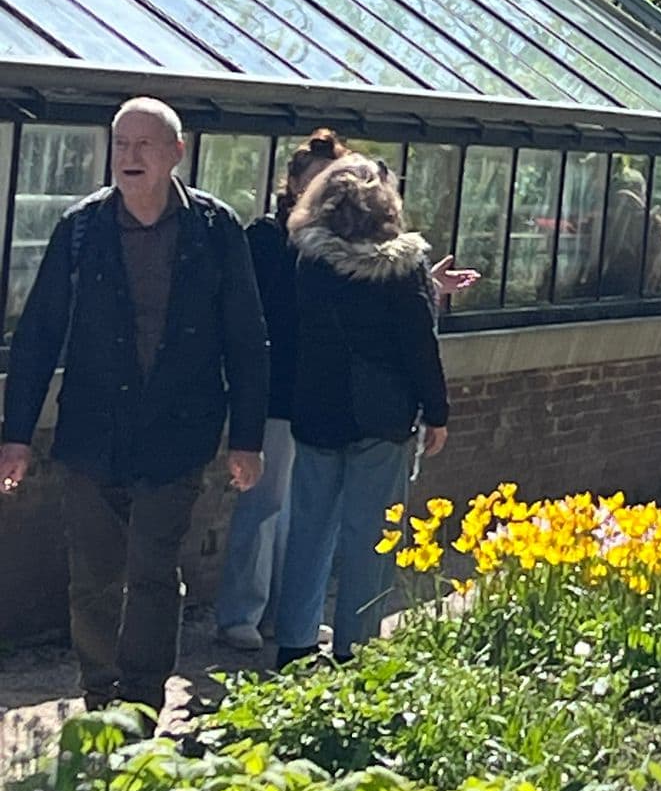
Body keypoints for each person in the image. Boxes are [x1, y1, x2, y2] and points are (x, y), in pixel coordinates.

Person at [0, 98, 269, 720]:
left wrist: (246, 438)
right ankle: (101, 695)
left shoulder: (214, 229)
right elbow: (39, 333)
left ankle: (142, 703)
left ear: (177, 152)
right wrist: (16, 436)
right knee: (93, 575)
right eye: (121, 144)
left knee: (152, 569)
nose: (130, 156)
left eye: (145, 144)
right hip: (92, 430)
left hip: (178, 431)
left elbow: (246, 337)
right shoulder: (81, 228)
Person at [274, 156, 449, 667]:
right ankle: (357, 647)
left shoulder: (309, 262)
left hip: (317, 409)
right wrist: (436, 412)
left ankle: (295, 645)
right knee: (372, 536)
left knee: (309, 529)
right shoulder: (405, 267)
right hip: (384, 414)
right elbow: (420, 345)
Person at [214, 130, 347, 652]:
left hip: (317, 389)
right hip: (273, 387)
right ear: (291, 183)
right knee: (264, 501)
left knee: (304, 507)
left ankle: (288, 612)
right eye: (311, 180)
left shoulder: (335, 242)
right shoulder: (266, 239)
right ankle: (240, 612)